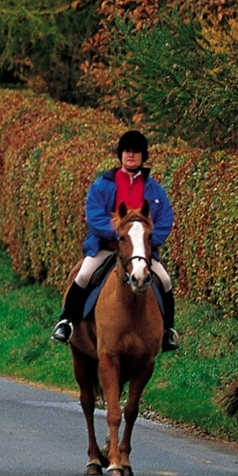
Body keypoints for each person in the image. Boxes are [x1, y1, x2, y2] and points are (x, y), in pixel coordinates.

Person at [51, 130, 179, 352]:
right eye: (127, 151)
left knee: (165, 281)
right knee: (83, 275)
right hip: (106, 248)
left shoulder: (154, 189)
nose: (131, 155)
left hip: (141, 253)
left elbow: (166, 218)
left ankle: (168, 331)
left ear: (143, 156)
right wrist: (119, 236)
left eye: (136, 152)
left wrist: (145, 242)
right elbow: (94, 216)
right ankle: (66, 322)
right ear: (121, 155)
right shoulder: (103, 185)